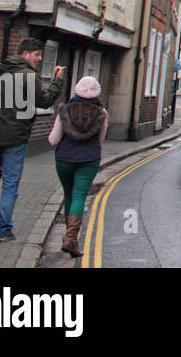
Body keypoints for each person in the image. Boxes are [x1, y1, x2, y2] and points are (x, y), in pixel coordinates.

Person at [0, 38, 65, 240]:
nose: (38, 59)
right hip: (15, 137)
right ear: (25, 54)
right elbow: (45, 100)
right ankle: (2, 230)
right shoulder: (28, 76)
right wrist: (58, 81)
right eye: (37, 55)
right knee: (11, 183)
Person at [48, 76, 108, 258]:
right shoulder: (102, 114)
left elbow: (53, 140)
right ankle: (71, 239)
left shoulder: (64, 110)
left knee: (68, 194)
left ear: (77, 91)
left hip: (64, 160)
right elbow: (100, 141)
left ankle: (69, 238)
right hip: (89, 160)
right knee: (79, 195)